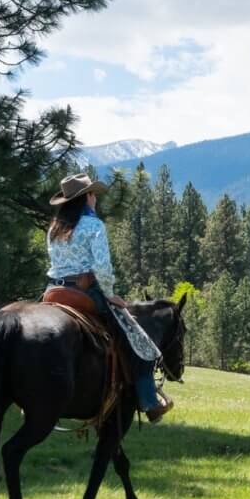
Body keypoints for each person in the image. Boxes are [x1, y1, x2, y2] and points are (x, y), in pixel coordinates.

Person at [44, 172, 174, 421]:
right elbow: (102, 267)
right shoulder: (94, 226)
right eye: (92, 194)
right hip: (85, 291)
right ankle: (149, 400)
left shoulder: (54, 228)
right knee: (140, 342)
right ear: (86, 198)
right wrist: (110, 294)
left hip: (53, 291)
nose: (95, 198)